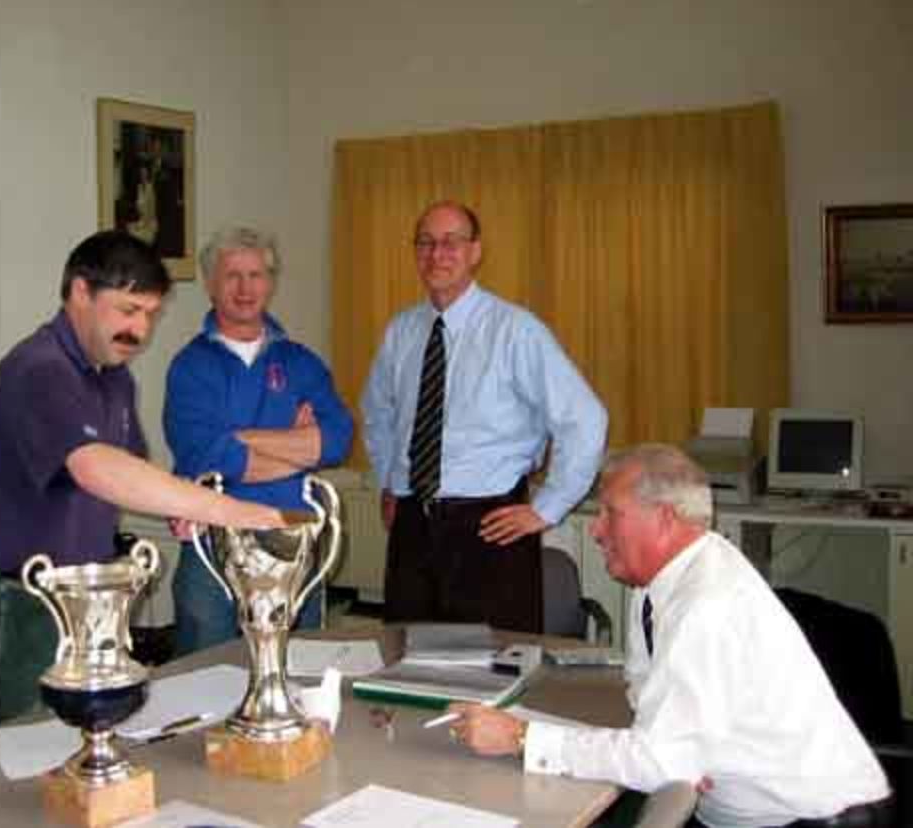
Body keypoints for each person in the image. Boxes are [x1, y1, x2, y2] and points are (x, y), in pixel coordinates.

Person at [449, 444, 893, 828]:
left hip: (812, 819)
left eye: (610, 513)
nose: (596, 529)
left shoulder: (707, 602)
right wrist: (673, 747)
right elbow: (651, 707)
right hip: (748, 810)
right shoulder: (662, 579)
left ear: (663, 518)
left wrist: (523, 738)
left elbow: (663, 760)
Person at [0, 231, 287, 727]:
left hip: (87, 596)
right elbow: (96, 467)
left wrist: (178, 505)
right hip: (23, 603)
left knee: (86, 742)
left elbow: (129, 468)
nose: (141, 330)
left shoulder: (114, 376)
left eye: (151, 314)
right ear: (80, 292)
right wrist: (231, 512)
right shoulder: (38, 370)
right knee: (26, 746)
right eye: (129, 310)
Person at [360, 201, 607, 631]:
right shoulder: (401, 331)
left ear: (475, 251)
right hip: (412, 527)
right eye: (425, 242)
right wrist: (390, 481)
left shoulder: (516, 330)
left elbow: (585, 418)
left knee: (495, 662)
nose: (437, 254)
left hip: (490, 526)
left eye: (451, 242)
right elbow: (377, 413)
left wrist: (547, 508)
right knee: (405, 656)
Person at [163, 226, 354, 655]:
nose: (245, 288)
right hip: (212, 546)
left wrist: (240, 438)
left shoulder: (301, 362)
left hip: (292, 545)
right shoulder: (190, 367)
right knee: (206, 673)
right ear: (211, 285)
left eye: (256, 275)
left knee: (296, 669)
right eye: (232, 276)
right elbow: (206, 456)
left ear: (270, 283)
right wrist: (298, 446)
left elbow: (337, 441)